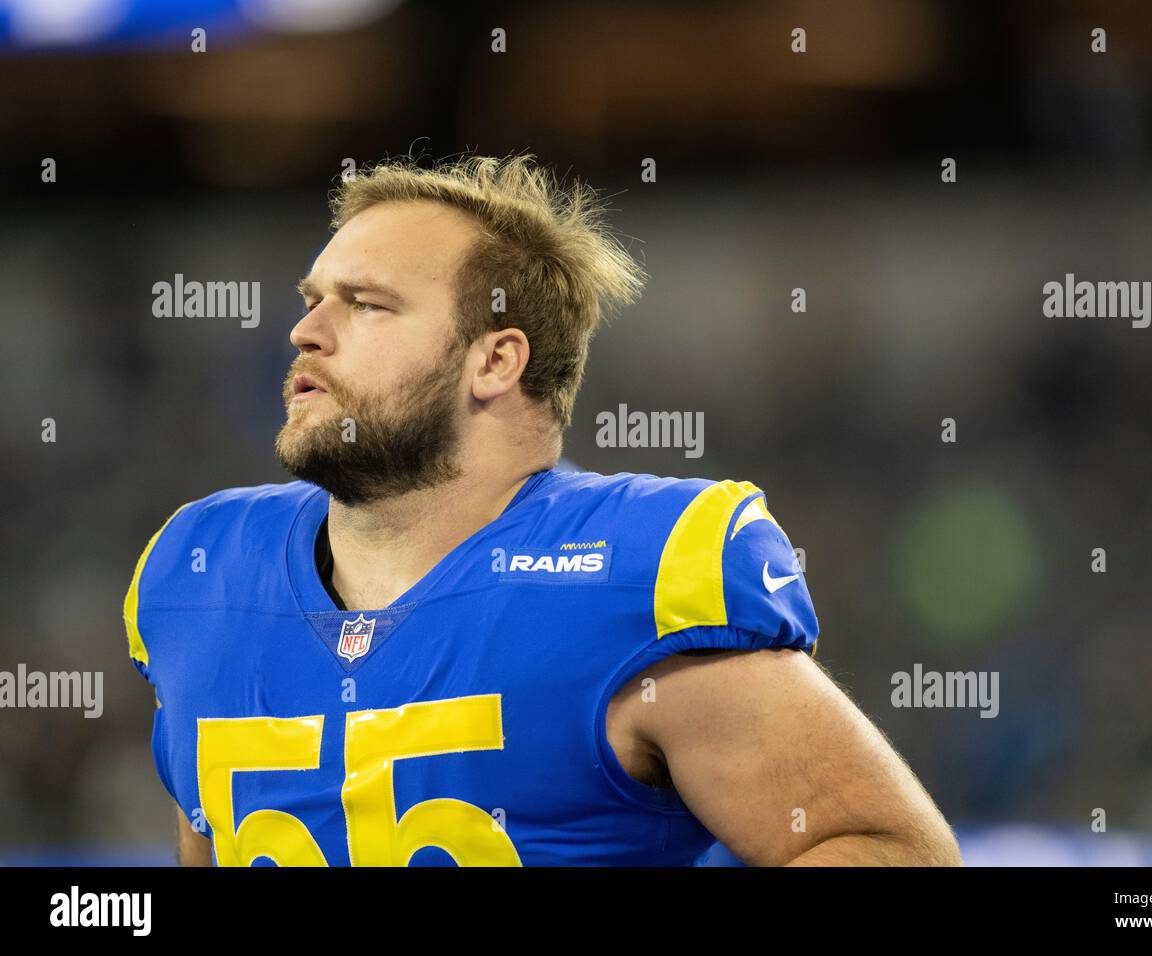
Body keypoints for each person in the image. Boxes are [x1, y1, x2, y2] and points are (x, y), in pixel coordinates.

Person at [123, 154, 961, 866]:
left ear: (495, 359)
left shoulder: (635, 574)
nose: (306, 330)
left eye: (367, 303)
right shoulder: (199, 570)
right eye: (313, 298)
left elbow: (886, 849)